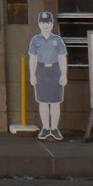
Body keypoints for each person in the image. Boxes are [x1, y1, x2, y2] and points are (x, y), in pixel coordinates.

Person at [28, 11, 67, 140]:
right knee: (43, 102)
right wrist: (32, 74)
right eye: (43, 23)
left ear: (52, 24)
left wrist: (64, 74)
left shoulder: (57, 40)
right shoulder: (35, 40)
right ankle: (45, 128)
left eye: (48, 23)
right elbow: (32, 58)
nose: (45, 25)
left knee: (55, 102)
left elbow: (62, 58)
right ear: (39, 24)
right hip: (41, 71)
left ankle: (54, 128)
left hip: (55, 70)